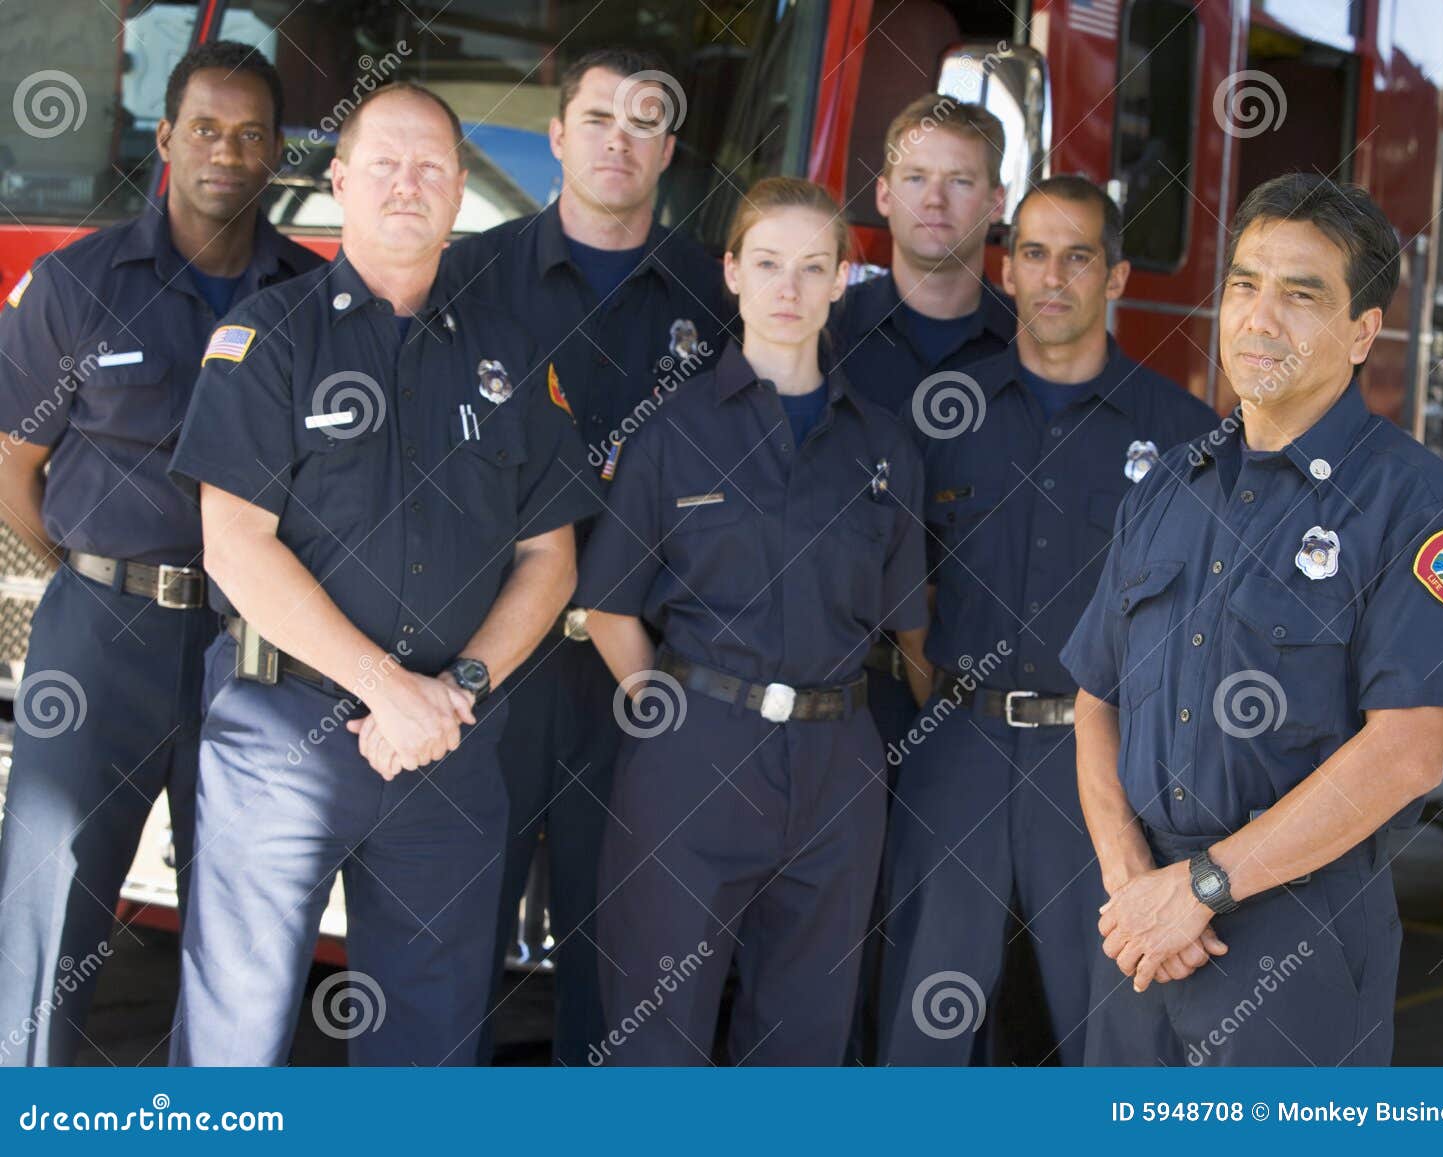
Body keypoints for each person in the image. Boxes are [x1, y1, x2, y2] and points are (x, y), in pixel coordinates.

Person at [165, 82, 599, 1066]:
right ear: (341, 179)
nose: (408, 183)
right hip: (281, 740)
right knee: (233, 1044)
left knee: (429, 1053)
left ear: (457, 197)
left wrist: (455, 691)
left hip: (447, 750)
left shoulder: (514, 360)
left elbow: (550, 556)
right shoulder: (267, 340)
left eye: (432, 167)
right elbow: (233, 543)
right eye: (386, 162)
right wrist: (384, 688)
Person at [1062, 173, 1443, 1066]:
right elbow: (1095, 700)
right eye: (1244, 284)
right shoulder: (1165, 489)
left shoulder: (1418, 503)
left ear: (1362, 333)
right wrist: (1130, 879)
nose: (1260, 318)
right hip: (1141, 931)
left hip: (1292, 933)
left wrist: (1205, 886)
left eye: (1301, 295)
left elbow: (1407, 751)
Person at [0, 41, 322, 1067]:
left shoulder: (313, 302)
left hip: (258, 652)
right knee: (49, 913)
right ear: (166, 138)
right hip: (101, 640)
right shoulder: (76, 284)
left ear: (277, 154)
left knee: (237, 938)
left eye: (250, 134)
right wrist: (91, 579)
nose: (226, 152)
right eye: (206, 129)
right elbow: (14, 465)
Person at [575, 177, 926, 1065]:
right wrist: (667, 714)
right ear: (730, 271)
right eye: (768, 263)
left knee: (805, 1036)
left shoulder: (883, 447)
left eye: (814, 267)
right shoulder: (673, 433)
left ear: (845, 278)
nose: (789, 288)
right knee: (658, 1032)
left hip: (836, 763)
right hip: (694, 750)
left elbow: (904, 621)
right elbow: (608, 604)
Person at [874, 176, 1217, 1066]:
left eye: (1078, 256)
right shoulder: (944, 417)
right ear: (1009, 269)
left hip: (1109, 773)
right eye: (1033, 254)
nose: (1053, 276)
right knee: (925, 1023)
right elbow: (912, 599)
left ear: (1118, 276)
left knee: (1115, 1027)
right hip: (958, 750)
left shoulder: (1185, 435)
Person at [441, 47, 730, 1065]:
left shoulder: (718, 298)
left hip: (639, 671)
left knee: (621, 964)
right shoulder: (469, 277)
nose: (619, 137)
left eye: (644, 120)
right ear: (556, 135)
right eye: (597, 116)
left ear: (668, 148)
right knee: (446, 945)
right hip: (487, 667)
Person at [832, 94, 1015, 757]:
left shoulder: (1032, 352)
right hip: (834, 696)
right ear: (883, 194)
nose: (934, 200)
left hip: (983, 712)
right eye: (915, 179)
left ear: (997, 200)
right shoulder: (827, 337)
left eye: (960, 181)